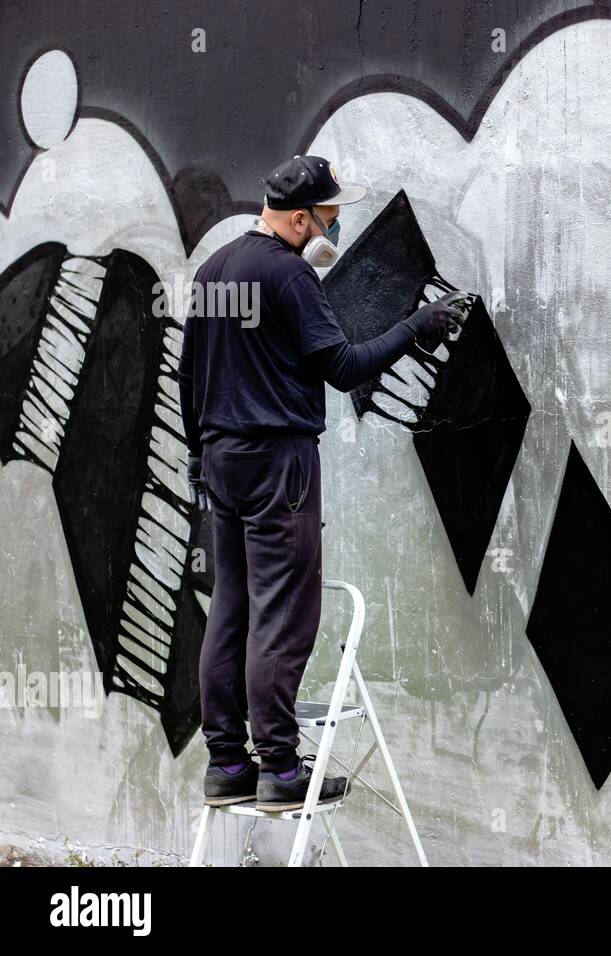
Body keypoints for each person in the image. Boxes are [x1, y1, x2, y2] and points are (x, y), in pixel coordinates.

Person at [179, 154, 469, 812]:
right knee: (283, 614)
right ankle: (280, 770)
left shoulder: (214, 272)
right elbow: (342, 367)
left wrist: (204, 457)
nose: (334, 230)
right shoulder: (289, 276)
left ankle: (226, 763)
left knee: (231, 605)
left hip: (223, 459)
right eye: (329, 218)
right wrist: (414, 328)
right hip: (279, 462)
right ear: (299, 217)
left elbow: (188, 374)